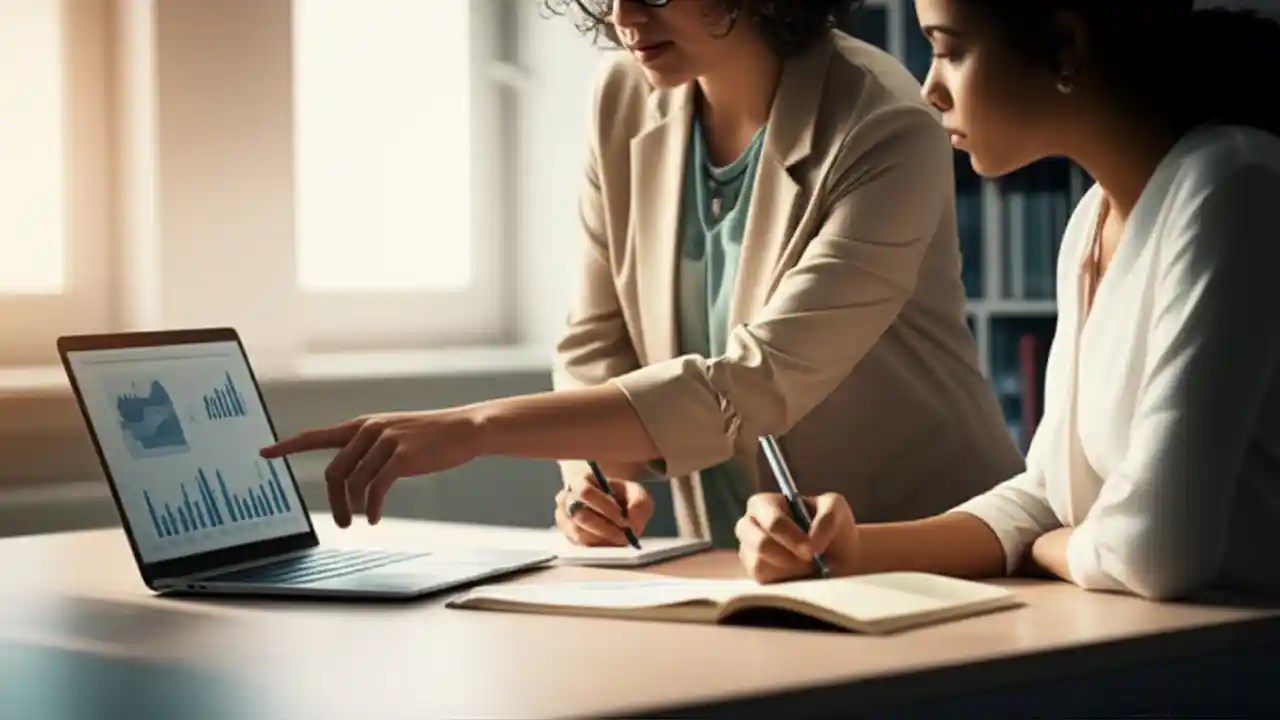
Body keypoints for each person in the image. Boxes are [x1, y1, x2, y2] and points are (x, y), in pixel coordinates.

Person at [261, 0, 1023, 549]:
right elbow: (597, 340)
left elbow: (756, 383)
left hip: (925, 552)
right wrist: (596, 476)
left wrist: (477, 428)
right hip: (739, 564)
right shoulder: (625, 94)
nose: (624, 17)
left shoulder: (885, 123)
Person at [734, 0, 1280, 601]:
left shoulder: (1232, 185)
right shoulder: (1090, 222)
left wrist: (1051, 546)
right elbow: (1046, 496)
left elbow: (1154, 552)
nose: (928, 91)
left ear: (1065, 47)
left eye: (949, 50)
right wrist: (846, 547)